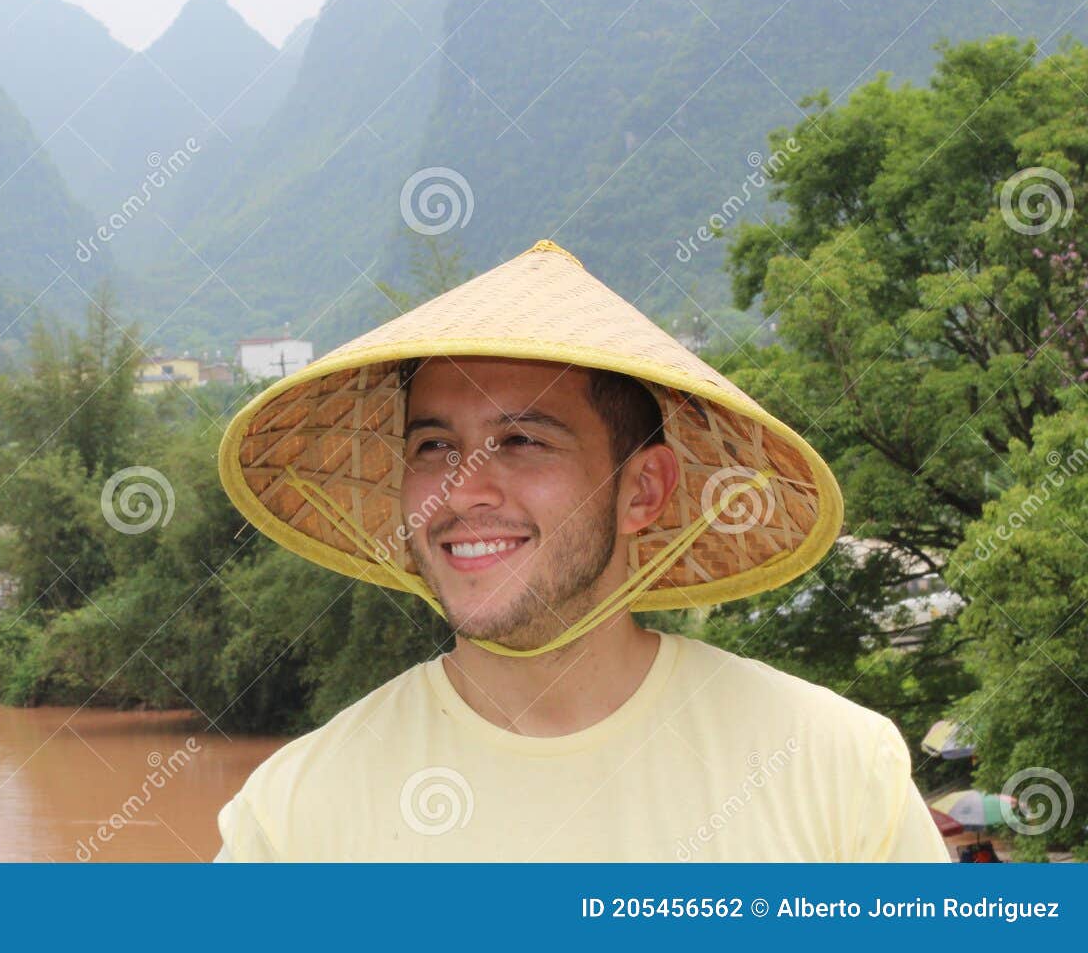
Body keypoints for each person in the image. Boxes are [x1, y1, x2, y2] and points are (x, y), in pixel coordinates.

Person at [213, 240, 948, 861]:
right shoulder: (293, 821)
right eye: (436, 446)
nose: (465, 490)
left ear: (643, 489)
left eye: (524, 441)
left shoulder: (832, 769)